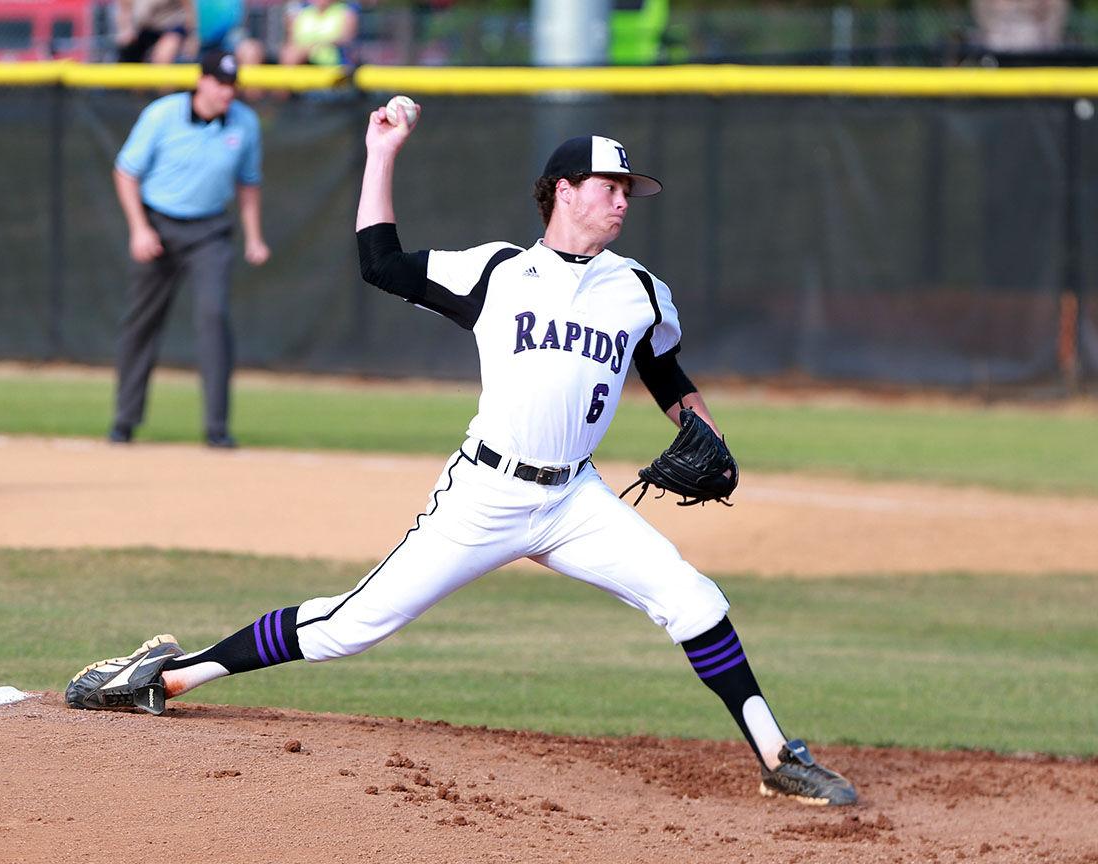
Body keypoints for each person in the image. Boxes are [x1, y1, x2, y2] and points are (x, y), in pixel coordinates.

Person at [68, 101, 857, 807]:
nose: (623, 199)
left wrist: (705, 432)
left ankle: (777, 756)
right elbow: (380, 263)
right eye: (610, 185)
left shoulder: (642, 290)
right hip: (485, 494)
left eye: (628, 190)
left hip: (576, 503)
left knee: (696, 600)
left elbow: (666, 375)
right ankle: (170, 673)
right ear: (563, 191)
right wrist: (381, 154)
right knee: (354, 627)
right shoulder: (495, 271)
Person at [108, 48, 270, 448]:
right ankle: (124, 421)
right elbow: (126, 172)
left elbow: (248, 183)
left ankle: (217, 428)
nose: (227, 93)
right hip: (159, 226)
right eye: (220, 83)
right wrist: (139, 229)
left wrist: (254, 236)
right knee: (142, 322)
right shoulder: (163, 115)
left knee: (214, 317)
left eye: (233, 85)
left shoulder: (245, 124)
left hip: (209, 232)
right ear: (201, 81)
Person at [279, 0, 359, 67]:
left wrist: (318, 45)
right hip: (303, 57)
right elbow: (292, 40)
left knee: (293, 55)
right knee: (290, 53)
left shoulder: (345, 12)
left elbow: (346, 39)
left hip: (332, 58)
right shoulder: (303, 13)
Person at [115, 0, 198, 64]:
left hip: (172, 25)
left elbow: (188, 9)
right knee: (131, 59)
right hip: (144, 28)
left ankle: (165, 84)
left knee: (162, 57)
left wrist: (191, 37)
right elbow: (125, 9)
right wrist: (126, 29)